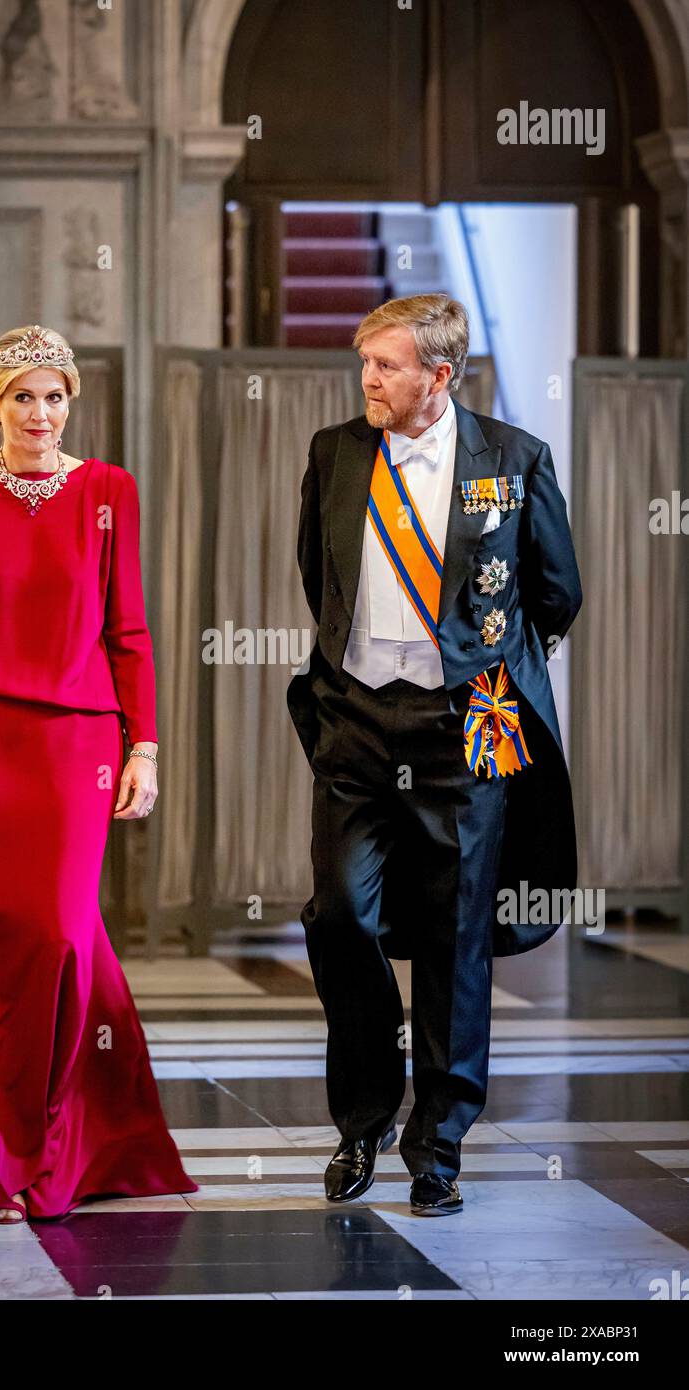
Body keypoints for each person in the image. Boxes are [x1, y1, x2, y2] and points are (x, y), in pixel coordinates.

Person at [0, 324, 198, 1225]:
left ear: (70, 403)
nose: (40, 414)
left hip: (77, 747)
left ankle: (41, 1152)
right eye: (22, 397)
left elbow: (127, 629)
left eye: (55, 396)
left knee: (59, 934)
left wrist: (145, 747)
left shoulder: (108, 493)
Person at [287, 294, 582, 1214]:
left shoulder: (515, 458)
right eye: (365, 362)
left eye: (385, 365)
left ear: (438, 375)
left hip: (471, 717)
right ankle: (364, 1116)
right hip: (358, 719)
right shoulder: (335, 453)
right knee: (339, 914)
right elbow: (318, 576)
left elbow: (555, 591)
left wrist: (481, 667)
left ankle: (439, 1145)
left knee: (458, 936)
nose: (367, 379)